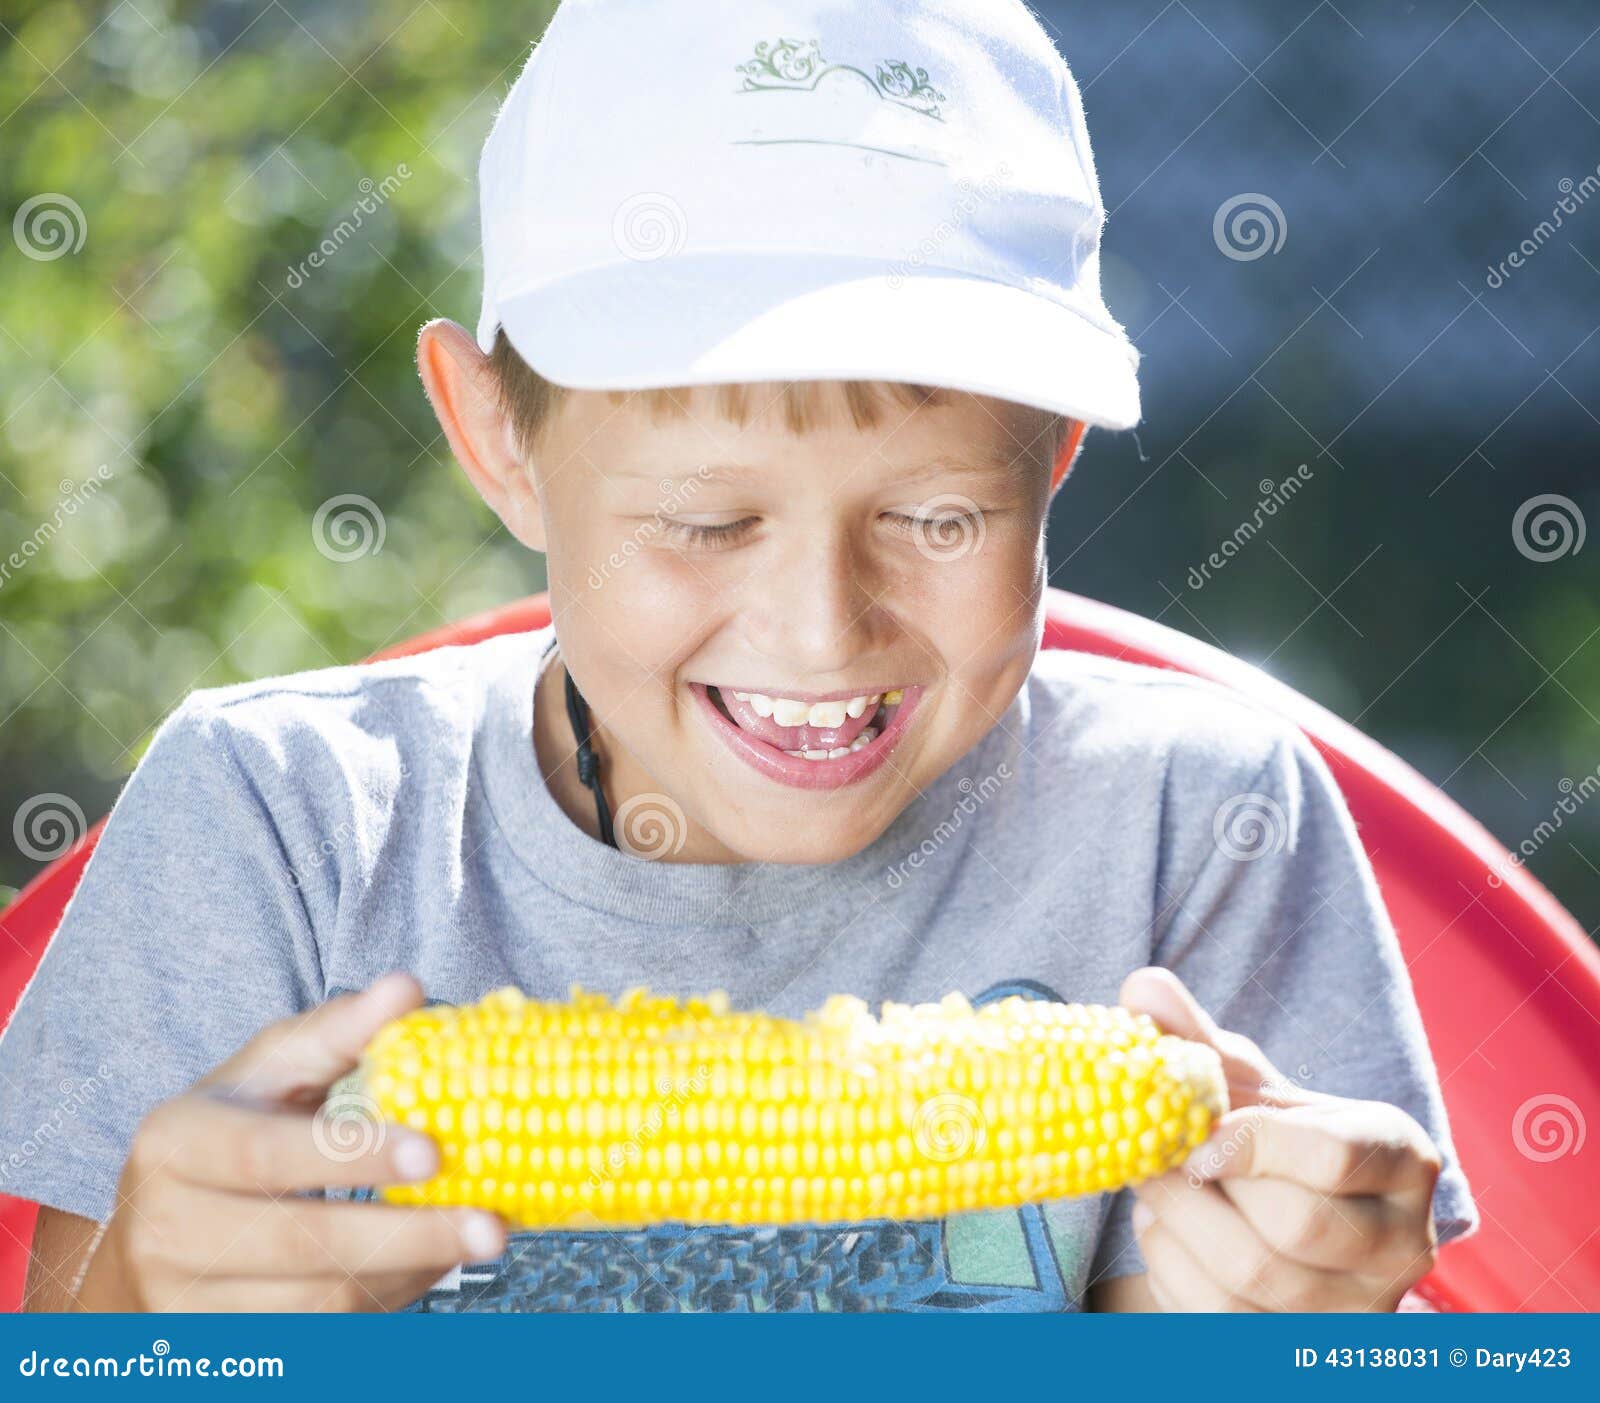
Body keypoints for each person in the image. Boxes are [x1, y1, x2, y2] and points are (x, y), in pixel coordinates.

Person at [1, 0, 1474, 1312]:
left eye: (938, 516)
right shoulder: (282, 823)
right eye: (707, 523)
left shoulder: (1193, 825)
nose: (822, 630)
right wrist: (149, 1311)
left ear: (1056, 457)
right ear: (498, 440)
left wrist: (1310, 1330)